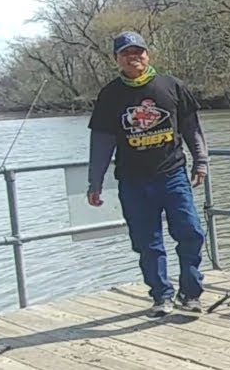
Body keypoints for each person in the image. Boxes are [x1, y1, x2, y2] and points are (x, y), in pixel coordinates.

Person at [87, 31, 209, 316]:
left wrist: (201, 162)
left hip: (173, 175)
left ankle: (190, 294)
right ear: (117, 59)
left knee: (191, 232)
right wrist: (95, 182)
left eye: (138, 51)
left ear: (148, 54)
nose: (134, 57)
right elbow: (102, 143)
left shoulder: (172, 86)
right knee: (147, 242)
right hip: (133, 181)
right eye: (126, 53)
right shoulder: (110, 95)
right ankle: (161, 296)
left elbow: (192, 129)